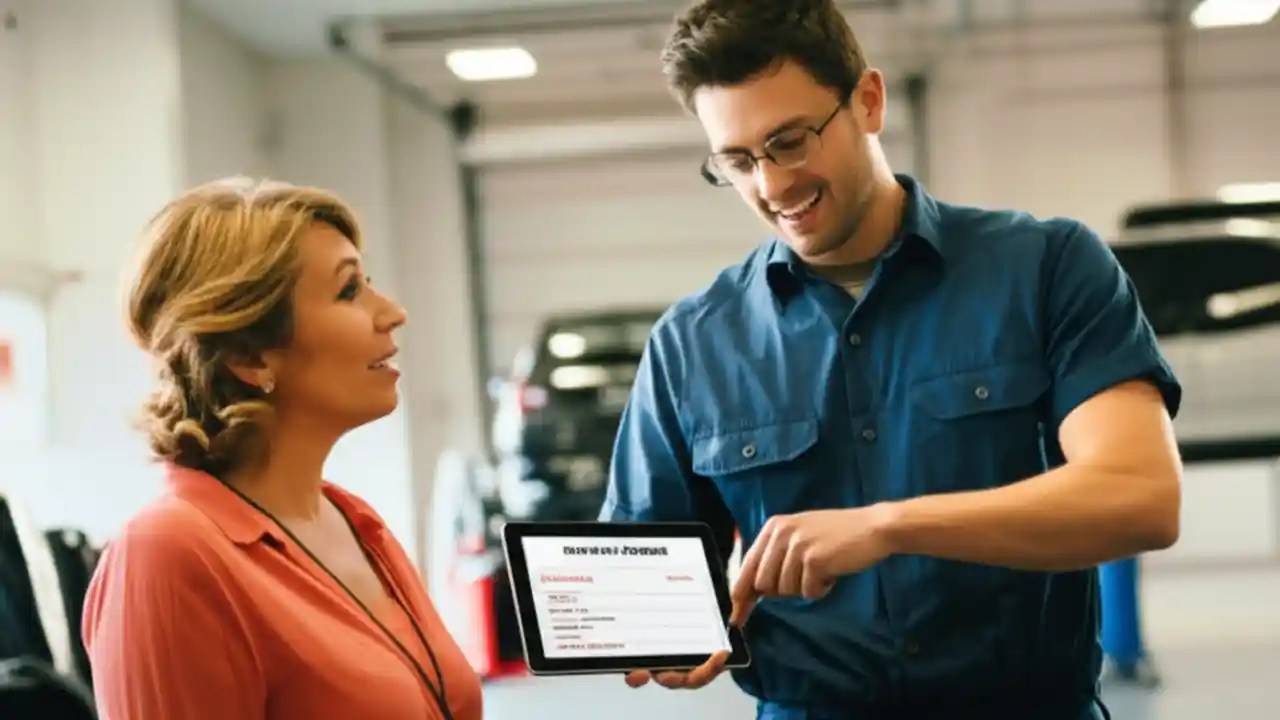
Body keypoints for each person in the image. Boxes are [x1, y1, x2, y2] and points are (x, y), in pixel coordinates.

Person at [598, 1, 1184, 718]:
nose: (773, 185)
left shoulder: (1046, 268)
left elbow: (1140, 498)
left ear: (868, 101)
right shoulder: (692, 344)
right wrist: (661, 633)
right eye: (739, 161)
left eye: (790, 141)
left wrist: (887, 526)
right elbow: (640, 583)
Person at [81, 178, 483, 720]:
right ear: (250, 356)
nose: (391, 312)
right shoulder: (168, 554)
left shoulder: (355, 521)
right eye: (349, 291)